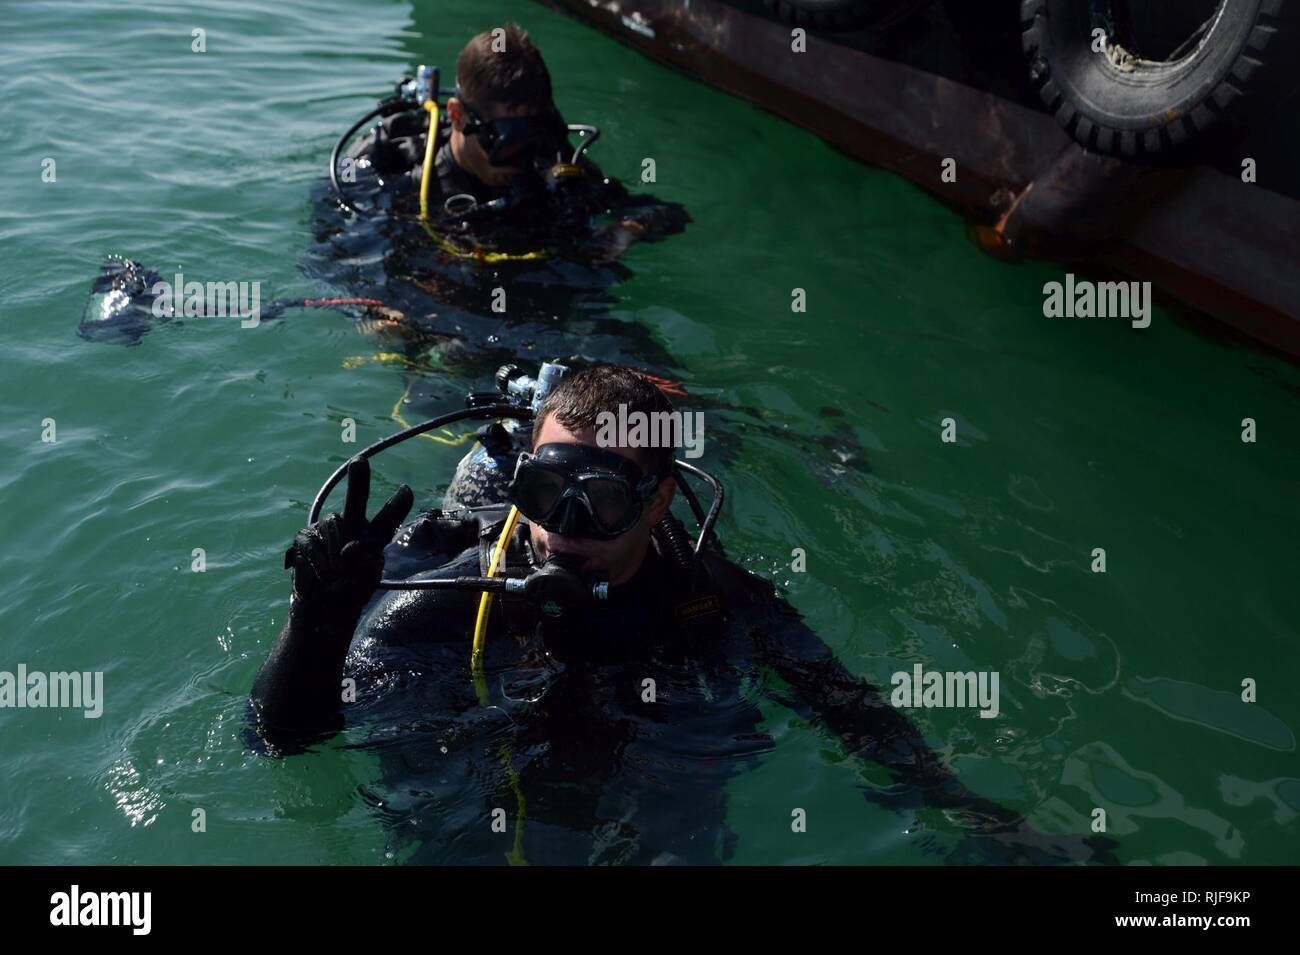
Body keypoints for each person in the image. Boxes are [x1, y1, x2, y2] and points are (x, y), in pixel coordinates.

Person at [249, 366, 1115, 865]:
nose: (559, 528)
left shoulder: (710, 595)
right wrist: (316, 624)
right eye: (543, 491)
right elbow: (278, 743)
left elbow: (848, 708)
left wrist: (971, 812)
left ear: (660, 501)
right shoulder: (452, 601)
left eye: (598, 501)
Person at [342, 22, 687, 260]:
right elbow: (342, 256)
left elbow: (668, 213)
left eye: (531, 140)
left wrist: (629, 229)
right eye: (506, 142)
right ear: (459, 115)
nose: (520, 161)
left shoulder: (550, 164)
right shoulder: (406, 178)